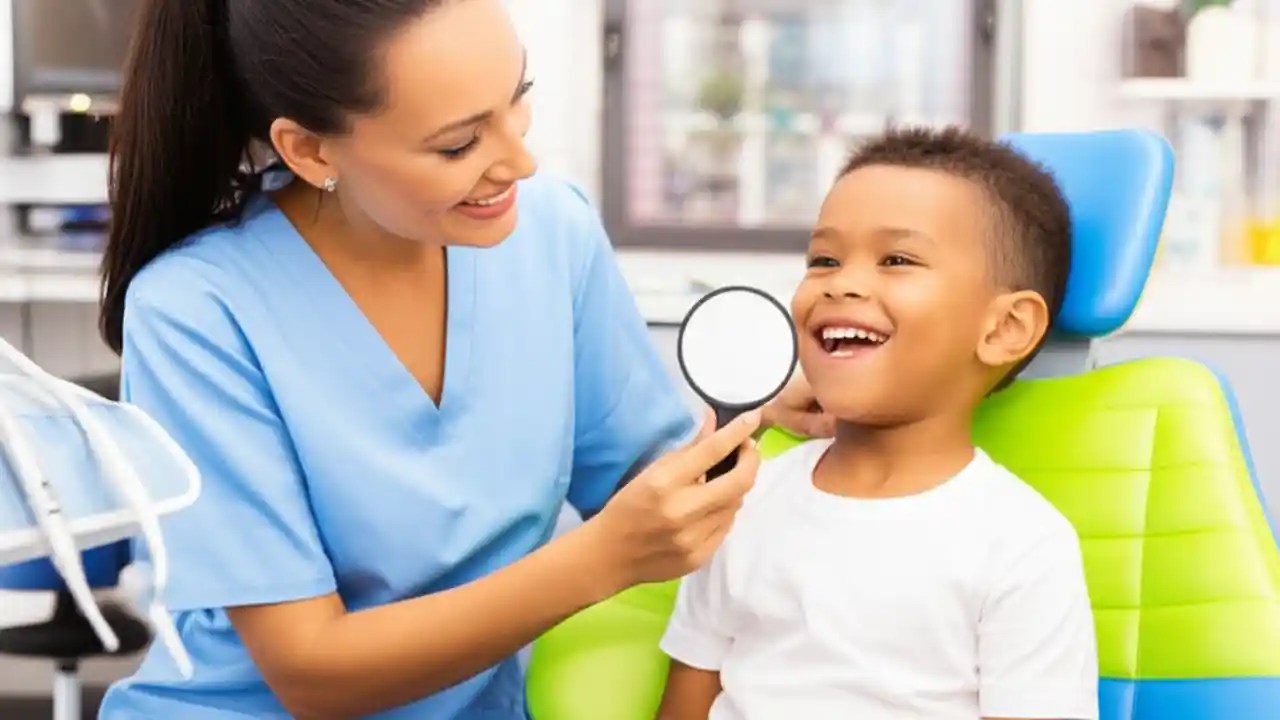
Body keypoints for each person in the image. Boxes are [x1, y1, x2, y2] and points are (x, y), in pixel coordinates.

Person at [94, 1, 830, 718]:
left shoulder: (552, 232)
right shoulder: (195, 311)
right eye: (458, 144)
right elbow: (311, 674)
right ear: (312, 150)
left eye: (519, 100)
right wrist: (602, 558)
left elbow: (649, 483)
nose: (519, 159)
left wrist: (757, 420)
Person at [658, 127, 1099, 720]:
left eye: (897, 259)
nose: (840, 282)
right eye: (824, 259)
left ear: (1004, 329)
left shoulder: (1021, 546)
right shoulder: (744, 500)